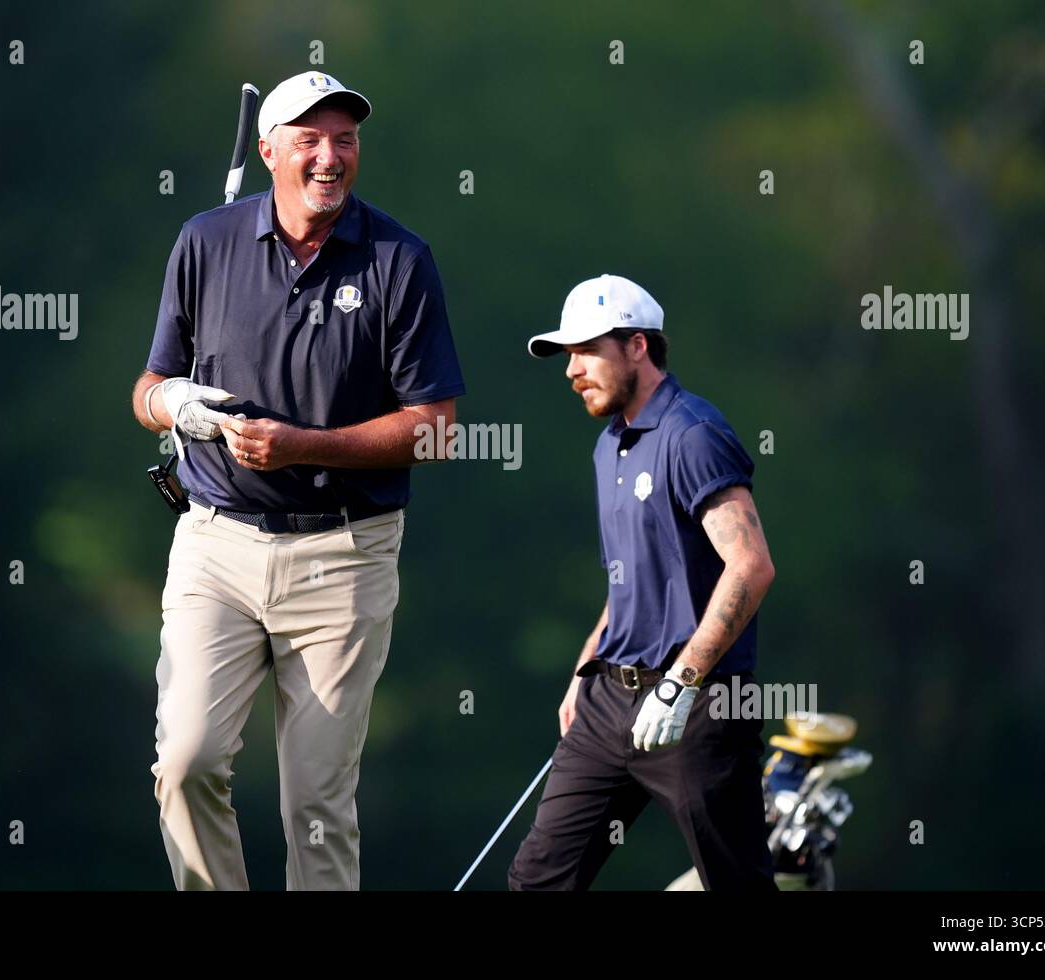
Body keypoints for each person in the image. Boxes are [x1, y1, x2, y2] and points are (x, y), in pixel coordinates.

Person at [131, 71, 465, 890]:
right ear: (267, 151)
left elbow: (435, 428)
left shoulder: (399, 259)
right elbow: (149, 387)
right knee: (185, 762)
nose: (330, 157)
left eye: (344, 139)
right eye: (309, 140)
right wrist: (178, 406)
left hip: (344, 554)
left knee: (315, 802)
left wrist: (302, 446)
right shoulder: (205, 241)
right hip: (216, 543)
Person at [508, 274, 778, 891]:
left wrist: (682, 682)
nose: (572, 370)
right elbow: (632, 577)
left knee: (737, 883)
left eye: (586, 350)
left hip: (701, 706)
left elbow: (751, 565)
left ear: (637, 345)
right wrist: (586, 668)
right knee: (537, 880)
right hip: (608, 701)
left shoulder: (693, 434)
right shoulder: (610, 444)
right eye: (567, 355)